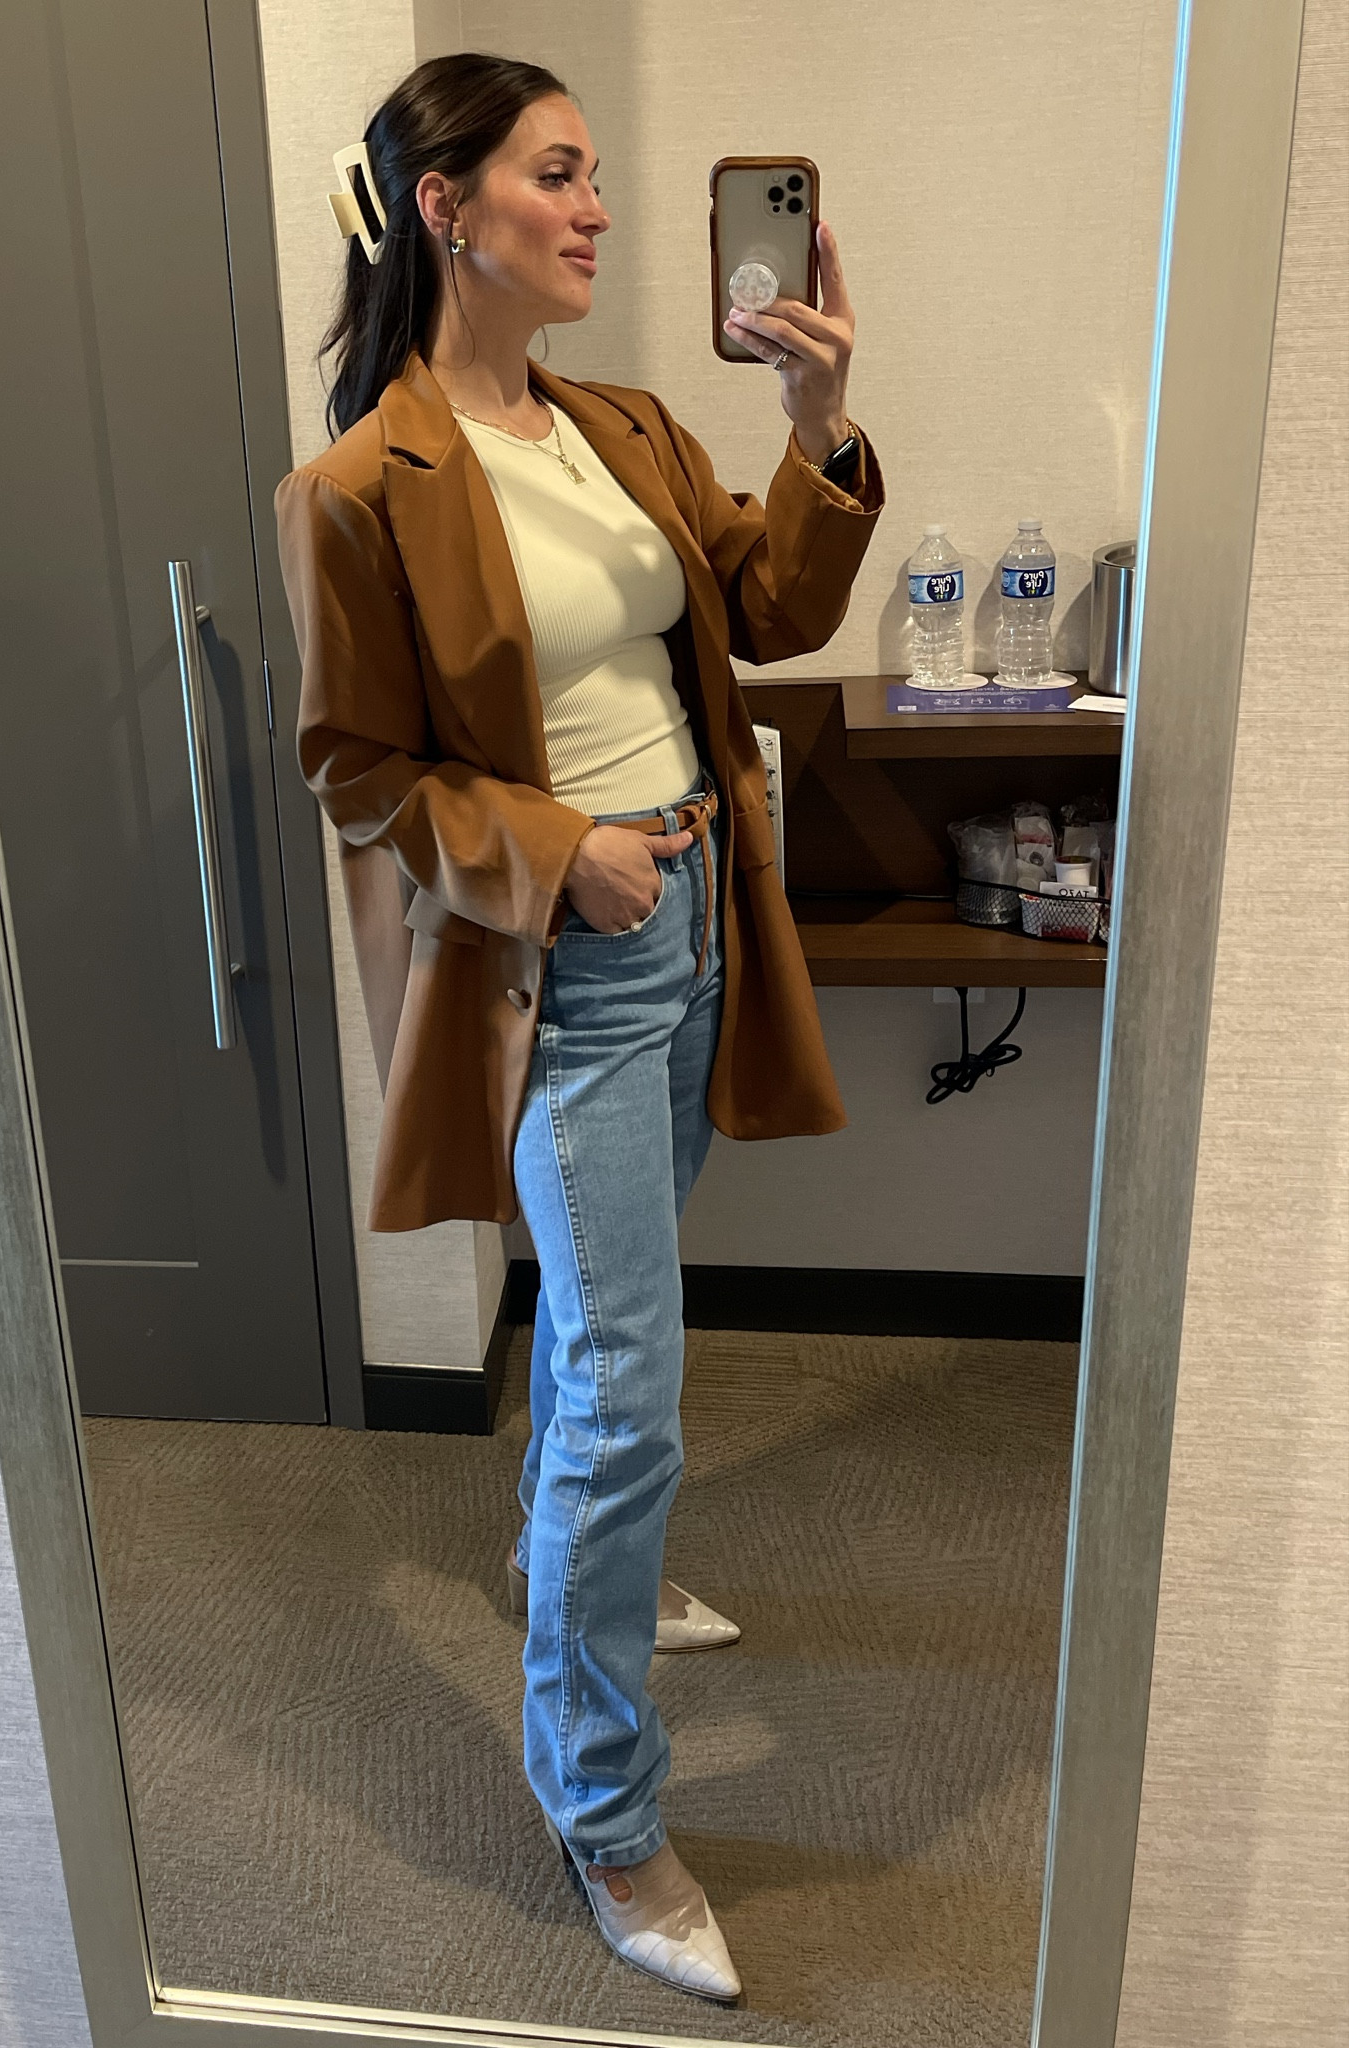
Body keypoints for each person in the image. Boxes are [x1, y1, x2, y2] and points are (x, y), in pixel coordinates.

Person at [276, 52, 881, 2005]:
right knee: (629, 1382)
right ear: (446, 209)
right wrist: (561, 858)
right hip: (565, 962)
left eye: (600, 174)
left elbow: (768, 611)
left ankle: (561, 1558)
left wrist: (816, 425)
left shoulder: (620, 425)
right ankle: (604, 1810)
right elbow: (358, 770)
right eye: (559, 174)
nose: (602, 209)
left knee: (615, 1317)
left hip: (705, 918)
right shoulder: (357, 487)